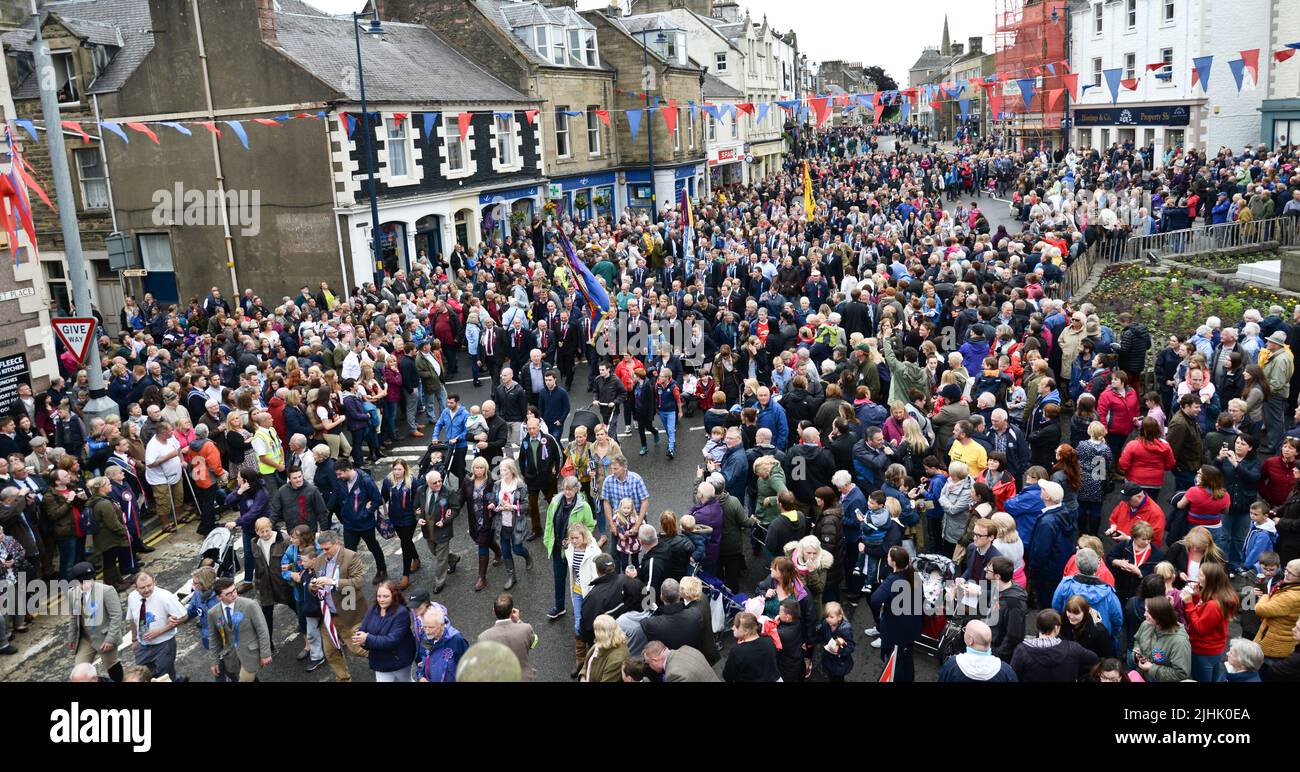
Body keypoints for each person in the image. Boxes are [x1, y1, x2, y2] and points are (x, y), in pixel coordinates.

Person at [309, 529, 367, 682]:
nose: (324, 552)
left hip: (349, 612)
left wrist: (333, 582)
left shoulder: (350, 556)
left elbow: (358, 582)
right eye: (321, 549)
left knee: (357, 649)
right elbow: (315, 584)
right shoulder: (320, 560)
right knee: (330, 653)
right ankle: (343, 678)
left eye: (327, 548)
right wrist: (313, 587)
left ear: (337, 544)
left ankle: (387, 658)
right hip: (328, 616)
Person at [543, 476, 596, 622]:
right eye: (565, 488)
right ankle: (559, 607)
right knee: (559, 578)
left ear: (576, 489)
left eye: (570, 489)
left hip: (576, 550)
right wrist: (547, 541)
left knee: (580, 578)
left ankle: (584, 606)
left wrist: (576, 540)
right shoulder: (554, 502)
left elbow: (590, 526)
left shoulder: (583, 506)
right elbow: (549, 523)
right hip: (557, 548)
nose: (567, 492)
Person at [869, 546, 924, 681]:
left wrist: (885, 605)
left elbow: (875, 599)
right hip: (912, 626)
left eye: (888, 556)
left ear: (893, 562)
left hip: (897, 630)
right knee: (907, 659)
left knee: (896, 665)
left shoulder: (892, 580)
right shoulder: (914, 575)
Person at [126, 572, 189, 682]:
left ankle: (176, 679)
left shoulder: (165, 596)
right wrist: (134, 639)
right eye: (142, 587)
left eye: (149, 585)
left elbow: (184, 616)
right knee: (142, 676)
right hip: (142, 645)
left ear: (155, 582)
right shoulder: (132, 597)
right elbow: (132, 619)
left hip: (164, 645)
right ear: (136, 588)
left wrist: (160, 631)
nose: (146, 590)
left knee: (164, 677)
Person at [66, 561, 124, 682]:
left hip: (104, 638)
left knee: (113, 667)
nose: (87, 583)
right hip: (86, 639)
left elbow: (116, 616)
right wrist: (71, 637)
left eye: (90, 579)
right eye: (83, 582)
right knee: (79, 671)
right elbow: (73, 617)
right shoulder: (72, 594)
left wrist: (110, 639)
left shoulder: (107, 591)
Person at [1182, 561, 1239, 682]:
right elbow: (1203, 611)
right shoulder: (1218, 595)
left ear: (1210, 580)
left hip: (1204, 650)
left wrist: (1188, 603)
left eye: (1200, 575)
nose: (1197, 576)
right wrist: (1197, 596)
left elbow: (1200, 628)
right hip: (1213, 648)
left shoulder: (1213, 605)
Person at [208, 577, 273, 682]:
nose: (234, 594)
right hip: (231, 658)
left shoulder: (250, 605)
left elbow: (262, 629)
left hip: (251, 654)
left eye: (234, 590)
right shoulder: (212, 613)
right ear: (219, 597)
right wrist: (214, 661)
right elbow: (214, 639)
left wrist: (265, 653)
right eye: (228, 593)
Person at [334, 459, 387, 585]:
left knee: (373, 546)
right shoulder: (342, 481)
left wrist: (367, 512)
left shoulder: (365, 480)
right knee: (349, 552)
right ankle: (352, 577)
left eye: (340, 473)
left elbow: (377, 499)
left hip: (365, 524)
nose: (338, 476)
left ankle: (382, 569)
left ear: (348, 470)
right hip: (349, 524)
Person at [1010, 609, 1100, 683]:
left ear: (1038, 627)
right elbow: (1094, 659)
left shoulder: (1022, 650)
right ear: (1056, 627)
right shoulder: (1073, 648)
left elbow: (1012, 675)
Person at [353, 580, 416, 682]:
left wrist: (367, 638)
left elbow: (392, 640)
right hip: (380, 661)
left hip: (398, 661)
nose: (381, 600)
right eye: (379, 596)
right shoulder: (373, 609)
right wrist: (362, 640)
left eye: (385, 596)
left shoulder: (401, 613)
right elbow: (363, 629)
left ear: (394, 596)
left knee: (406, 680)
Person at [564, 522, 603, 678]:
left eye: (576, 538)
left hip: (590, 592)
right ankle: (580, 659)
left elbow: (597, 575)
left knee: (592, 622)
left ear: (584, 536)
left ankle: (593, 657)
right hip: (577, 590)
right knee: (578, 623)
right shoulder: (571, 548)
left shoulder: (594, 551)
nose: (573, 541)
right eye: (571, 538)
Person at [416, 469, 460, 594]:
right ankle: (454, 558)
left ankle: (440, 582)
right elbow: (415, 508)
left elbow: (456, 508)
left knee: (441, 558)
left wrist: (446, 520)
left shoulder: (448, 492)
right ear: (428, 483)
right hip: (428, 528)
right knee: (434, 551)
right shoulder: (421, 491)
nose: (439, 484)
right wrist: (418, 519)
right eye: (435, 482)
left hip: (443, 530)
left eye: (440, 481)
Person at [477, 593, 538, 681]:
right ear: (512, 611)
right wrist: (519, 621)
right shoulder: (526, 628)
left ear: (493, 611)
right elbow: (533, 643)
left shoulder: (483, 638)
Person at [1132, 595, 1193, 682]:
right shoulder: (1146, 625)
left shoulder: (1179, 642)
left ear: (1159, 616)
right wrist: (1136, 655)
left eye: (1148, 612)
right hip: (1142, 677)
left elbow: (1181, 674)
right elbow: (1137, 641)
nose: (1144, 614)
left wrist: (1151, 668)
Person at [493, 458, 532, 590]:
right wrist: (495, 506)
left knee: (517, 549)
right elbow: (494, 501)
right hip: (502, 523)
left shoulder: (520, 485)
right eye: (501, 469)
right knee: (505, 551)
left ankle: (527, 556)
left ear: (511, 470)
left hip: (516, 523)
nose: (502, 472)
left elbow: (526, 506)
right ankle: (511, 577)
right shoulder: (498, 484)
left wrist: (512, 507)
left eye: (505, 469)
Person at [939, 619, 1018, 682]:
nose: (964, 632)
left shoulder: (952, 665)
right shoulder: (1006, 671)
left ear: (970, 640)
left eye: (965, 630)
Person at [1254, 558, 1300, 665]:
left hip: (1273, 646)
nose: (1286, 574)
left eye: (1291, 573)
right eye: (1286, 570)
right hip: (1281, 642)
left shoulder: (1291, 597)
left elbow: (1260, 610)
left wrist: (1265, 596)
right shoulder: (1291, 586)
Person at [986, 556, 1028, 662]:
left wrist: (996, 655)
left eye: (989, 570)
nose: (986, 570)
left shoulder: (1014, 602)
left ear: (997, 576)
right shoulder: (999, 588)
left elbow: (1013, 636)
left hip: (999, 656)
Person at [414, 604, 468, 683]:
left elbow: (467, 666)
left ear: (442, 625)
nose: (427, 631)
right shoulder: (424, 636)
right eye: (425, 627)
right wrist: (421, 677)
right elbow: (420, 662)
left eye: (431, 627)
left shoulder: (456, 639)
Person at [723, 611, 780, 682]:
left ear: (746, 631)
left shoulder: (737, 651)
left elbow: (727, 675)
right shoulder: (769, 641)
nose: (732, 628)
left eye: (736, 626)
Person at [641, 640, 719, 682]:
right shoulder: (686, 648)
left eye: (648, 663)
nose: (649, 667)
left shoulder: (674, 674)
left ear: (654, 660)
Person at [581, 613, 628, 683]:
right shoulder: (603, 641)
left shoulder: (616, 660)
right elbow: (587, 663)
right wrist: (582, 676)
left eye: (595, 630)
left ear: (601, 634)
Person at [815, 601, 855, 682]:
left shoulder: (845, 630)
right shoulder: (825, 623)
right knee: (831, 676)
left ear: (839, 617)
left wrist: (839, 650)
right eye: (826, 616)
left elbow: (851, 647)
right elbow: (821, 635)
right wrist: (810, 641)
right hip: (829, 658)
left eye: (831, 617)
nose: (828, 619)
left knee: (838, 678)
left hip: (840, 662)